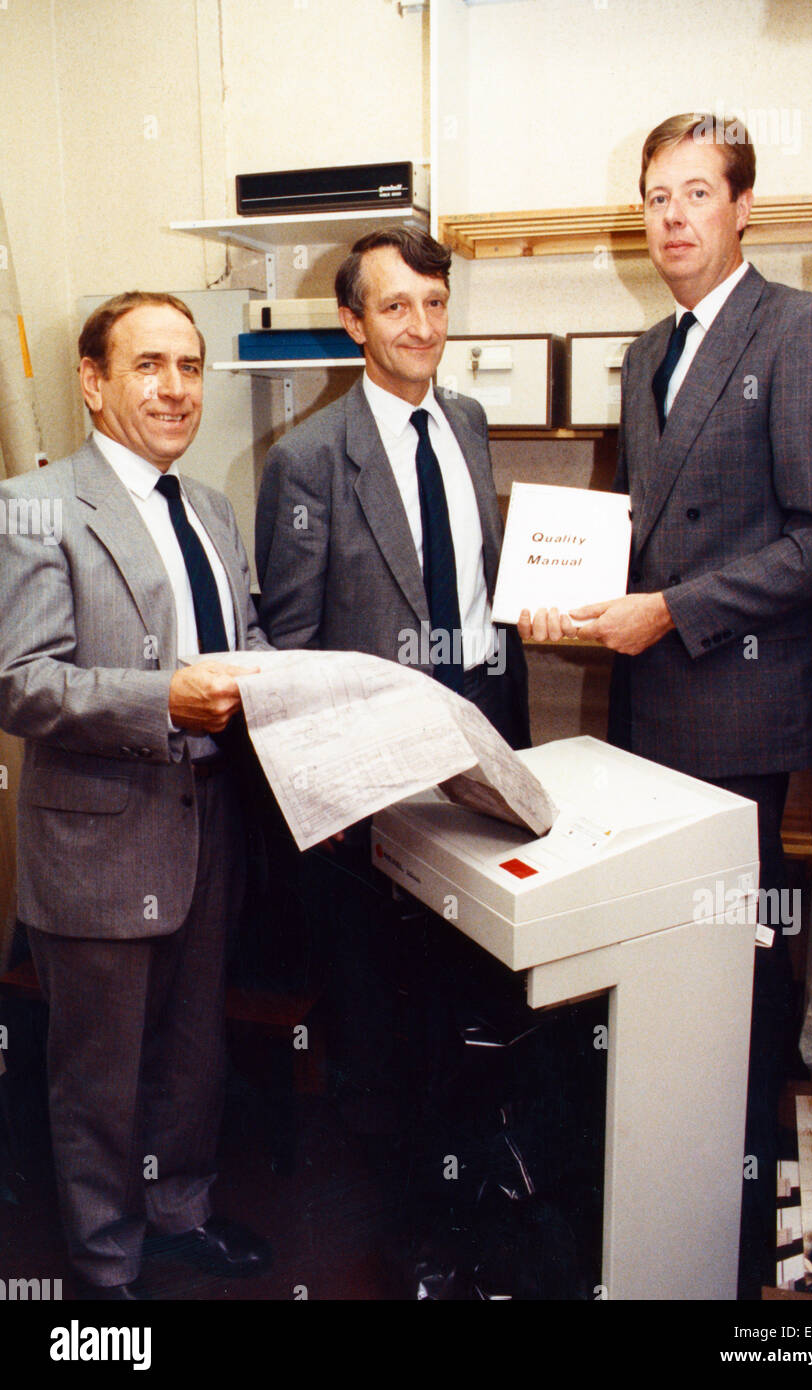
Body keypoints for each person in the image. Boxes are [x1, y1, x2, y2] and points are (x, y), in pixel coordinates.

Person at [519, 112, 812, 1296]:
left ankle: (735, 1236)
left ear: (740, 209)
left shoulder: (805, 328)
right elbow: (636, 539)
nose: (669, 218)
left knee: (737, 978)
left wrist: (667, 611)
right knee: (664, 975)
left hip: (735, 715)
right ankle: (654, 1206)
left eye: (693, 194)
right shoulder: (642, 355)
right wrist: (568, 601)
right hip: (647, 714)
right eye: (653, 198)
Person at [0, 292, 272, 1299]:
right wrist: (162, 699)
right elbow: (21, 681)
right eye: (149, 364)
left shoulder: (207, 508)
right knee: (101, 1081)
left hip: (210, 829)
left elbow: (244, 647)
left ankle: (179, 1215)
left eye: (191, 366)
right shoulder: (33, 506)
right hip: (101, 839)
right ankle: (105, 1270)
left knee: (193, 1054)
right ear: (93, 381)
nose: (175, 387)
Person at [255, 224, 529, 750]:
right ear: (353, 322)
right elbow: (292, 644)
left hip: (492, 701)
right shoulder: (307, 458)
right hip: (379, 727)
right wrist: (319, 767)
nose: (423, 329)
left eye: (435, 303)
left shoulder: (469, 422)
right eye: (396, 308)